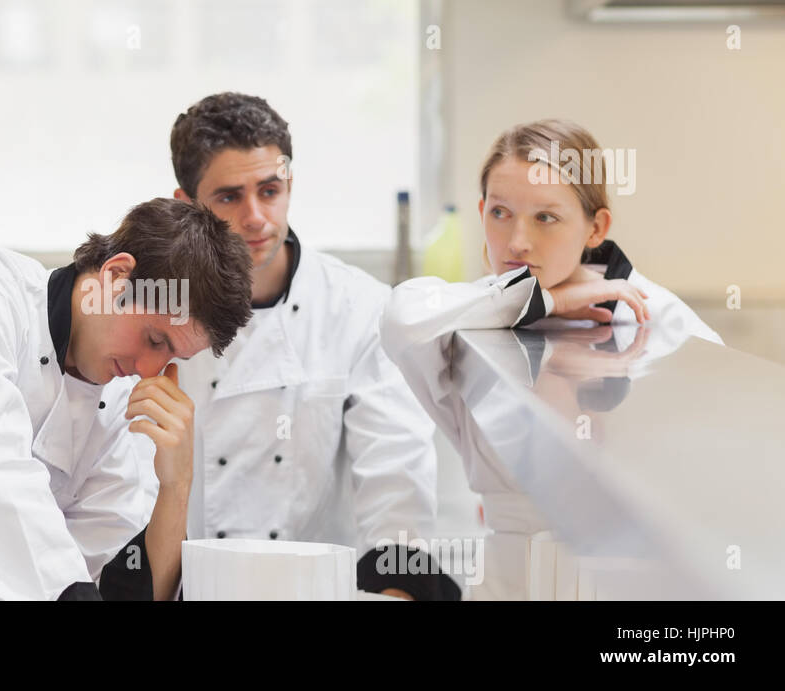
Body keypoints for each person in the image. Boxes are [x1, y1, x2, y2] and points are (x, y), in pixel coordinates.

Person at [380, 119, 722, 599]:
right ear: (481, 212)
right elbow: (400, 317)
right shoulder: (467, 313)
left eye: (545, 217)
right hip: (504, 578)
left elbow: (724, 439)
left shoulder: (651, 317)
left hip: (620, 582)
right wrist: (549, 301)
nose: (517, 241)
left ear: (595, 228)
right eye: (500, 213)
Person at [138, 92, 455, 601]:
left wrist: (400, 591)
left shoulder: (358, 309)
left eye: (270, 190)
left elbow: (396, 479)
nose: (256, 217)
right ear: (186, 205)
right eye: (228, 197)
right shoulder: (157, 315)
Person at [0, 198, 254, 600]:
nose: (150, 369)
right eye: (154, 339)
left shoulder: (116, 410)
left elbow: (112, 578)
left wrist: (177, 484)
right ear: (116, 277)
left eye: (172, 357)